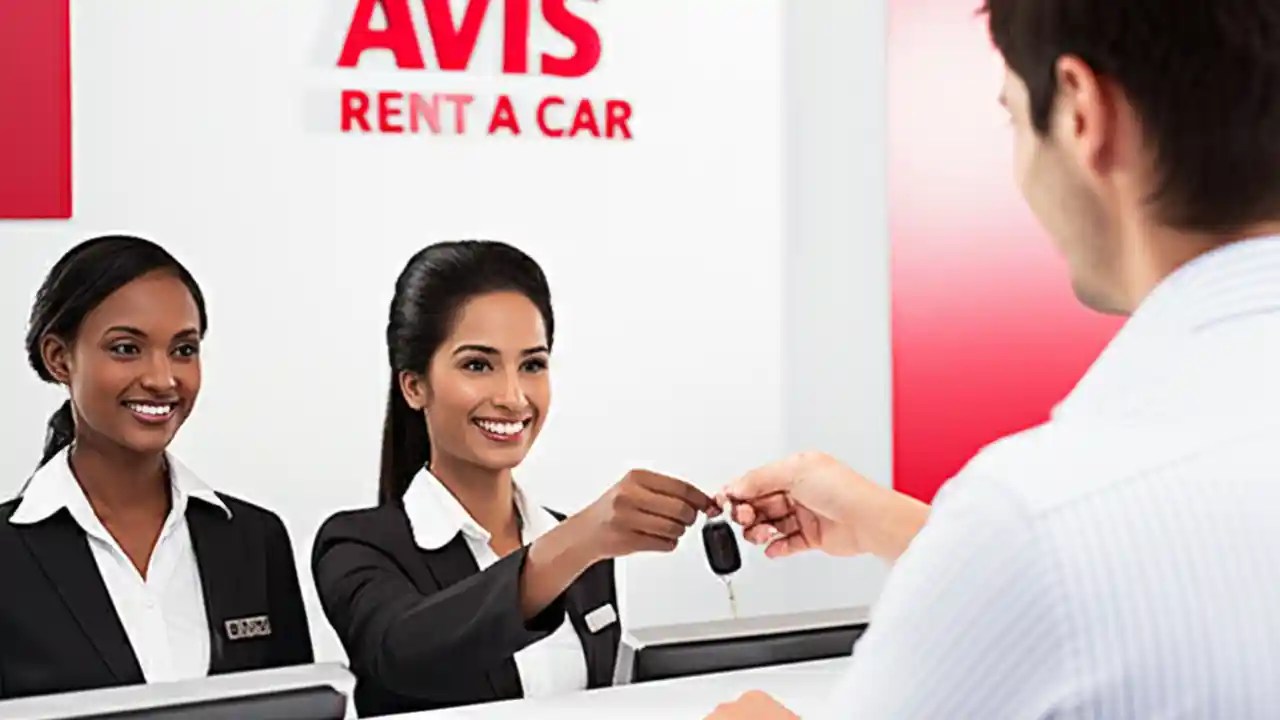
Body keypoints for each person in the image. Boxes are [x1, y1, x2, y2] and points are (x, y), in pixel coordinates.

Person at [708, 0, 1280, 717]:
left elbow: (1066, 563)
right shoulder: (1048, 529)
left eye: (1013, 117)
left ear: (1079, 112)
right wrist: (919, 536)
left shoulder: (1036, 520)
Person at [312, 240, 717, 717]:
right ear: (415, 385)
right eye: (477, 365)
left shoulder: (578, 548)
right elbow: (405, 652)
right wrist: (578, 542)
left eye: (532, 365)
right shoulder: (355, 545)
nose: (513, 396)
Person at [0, 235, 314, 700]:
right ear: (59, 357)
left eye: (184, 350)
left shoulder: (254, 539)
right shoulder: (8, 555)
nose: (163, 378)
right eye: (126, 349)